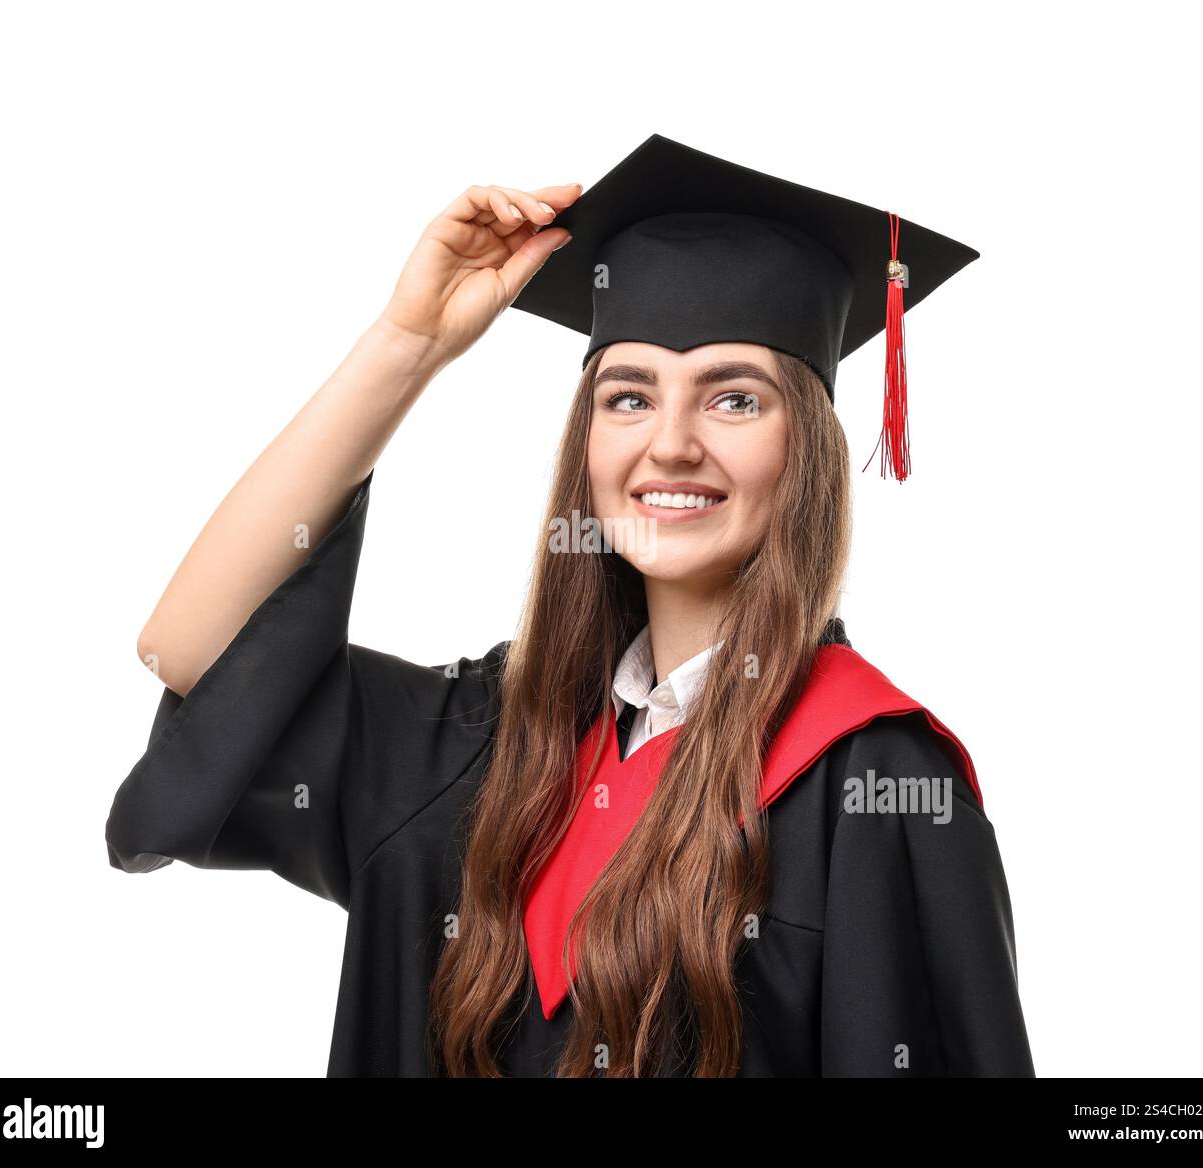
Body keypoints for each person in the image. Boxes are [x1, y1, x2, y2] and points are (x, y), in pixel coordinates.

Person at [106, 134, 1035, 1078]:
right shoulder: (484, 746)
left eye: (735, 402)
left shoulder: (872, 786)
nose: (670, 445)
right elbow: (190, 651)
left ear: (809, 453)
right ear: (585, 444)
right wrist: (408, 344)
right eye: (629, 398)